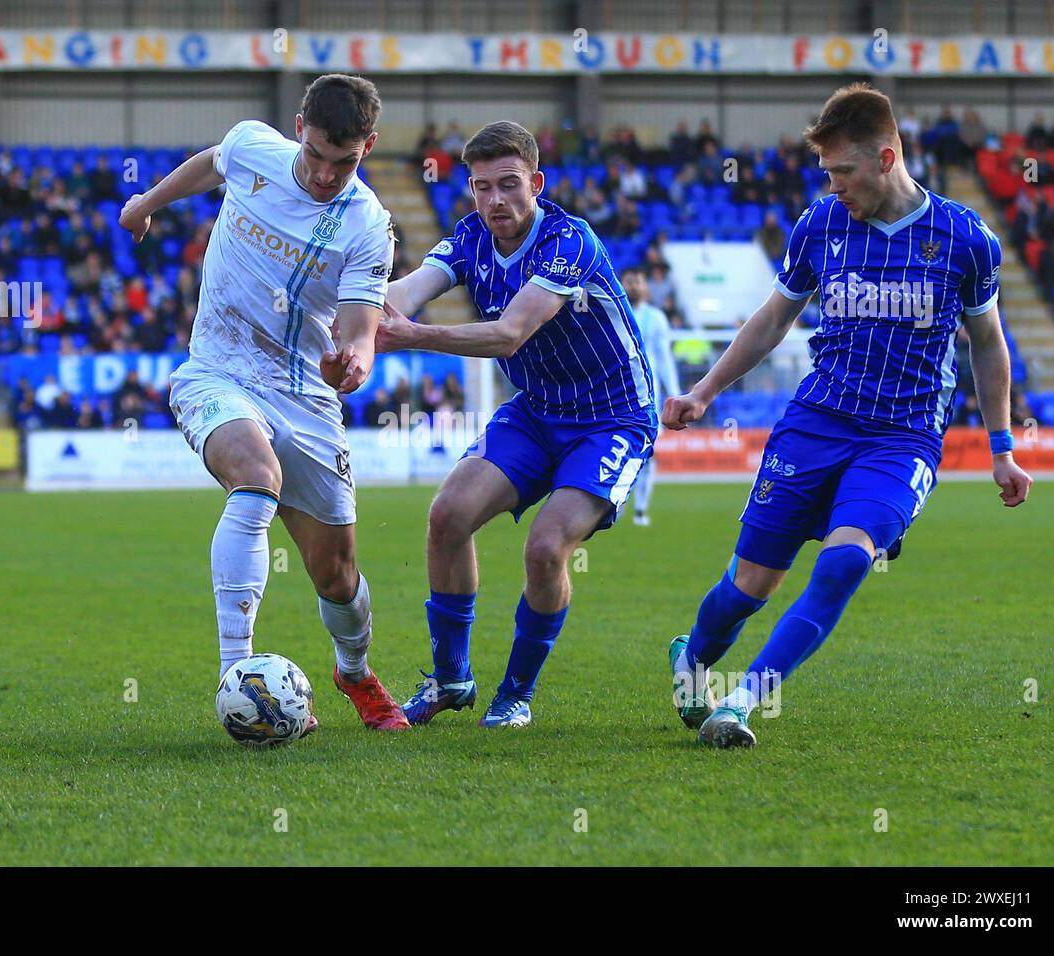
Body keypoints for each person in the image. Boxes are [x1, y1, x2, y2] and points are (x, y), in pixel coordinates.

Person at [662, 83, 1033, 748]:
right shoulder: (819, 226)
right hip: (818, 422)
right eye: (826, 172)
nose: (832, 186)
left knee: (843, 564)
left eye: (842, 172)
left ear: (887, 158)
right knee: (750, 585)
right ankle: (693, 658)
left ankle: (743, 701)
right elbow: (775, 318)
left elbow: (988, 341)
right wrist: (705, 390)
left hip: (903, 437)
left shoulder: (965, 239)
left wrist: (1002, 446)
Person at [118, 73, 409, 733]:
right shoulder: (255, 149)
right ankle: (237, 678)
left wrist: (355, 362)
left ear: (369, 146)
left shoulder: (367, 225)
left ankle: (355, 672)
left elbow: (362, 326)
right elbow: (209, 165)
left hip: (306, 396)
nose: (329, 172)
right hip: (217, 372)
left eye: (347, 160)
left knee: (337, 577)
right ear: (300, 124)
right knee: (254, 475)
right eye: (318, 154)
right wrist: (146, 203)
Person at [378, 121, 657, 729]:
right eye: (482, 188)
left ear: (536, 182)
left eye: (509, 185)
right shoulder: (470, 237)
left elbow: (510, 332)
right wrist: (348, 308)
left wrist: (412, 336)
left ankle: (517, 694)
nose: (495, 201)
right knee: (447, 516)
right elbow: (406, 291)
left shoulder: (569, 241)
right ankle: (451, 679)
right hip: (537, 411)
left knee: (546, 546)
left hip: (611, 420)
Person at [621, 267, 679, 526]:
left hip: (647, 396)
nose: (633, 286)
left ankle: (641, 509)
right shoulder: (613, 312)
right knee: (619, 453)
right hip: (616, 395)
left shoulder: (656, 318)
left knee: (647, 454)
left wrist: (676, 393)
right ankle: (616, 505)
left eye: (638, 281)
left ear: (645, 287)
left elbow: (664, 358)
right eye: (629, 281)